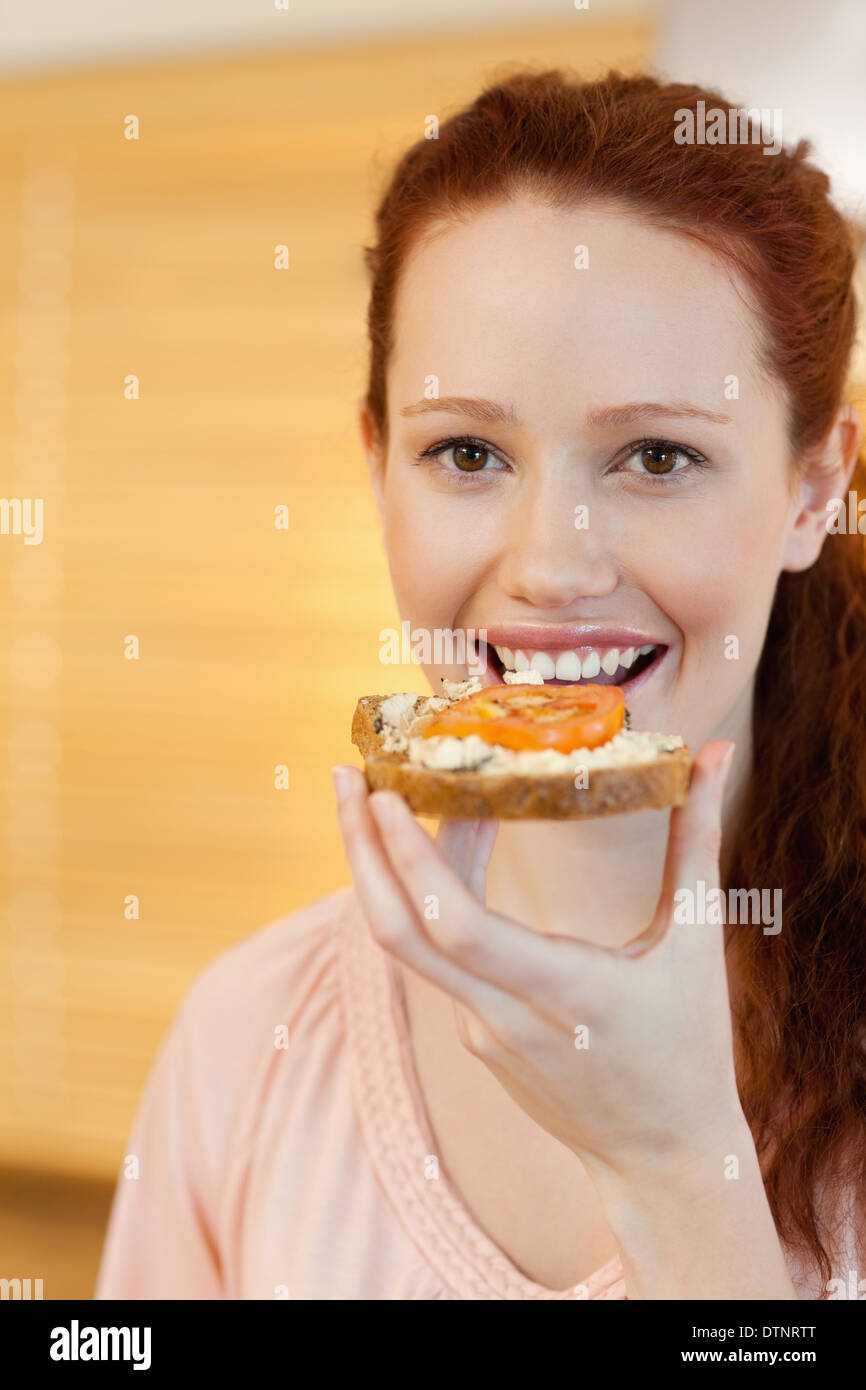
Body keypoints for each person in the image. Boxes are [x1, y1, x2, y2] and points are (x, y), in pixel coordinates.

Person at [95, 68, 866, 1301]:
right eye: (466, 452)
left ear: (813, 487)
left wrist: (679, 1169)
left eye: (655, 455)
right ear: (376, 465)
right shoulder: (247, 1038)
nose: (550, 566)